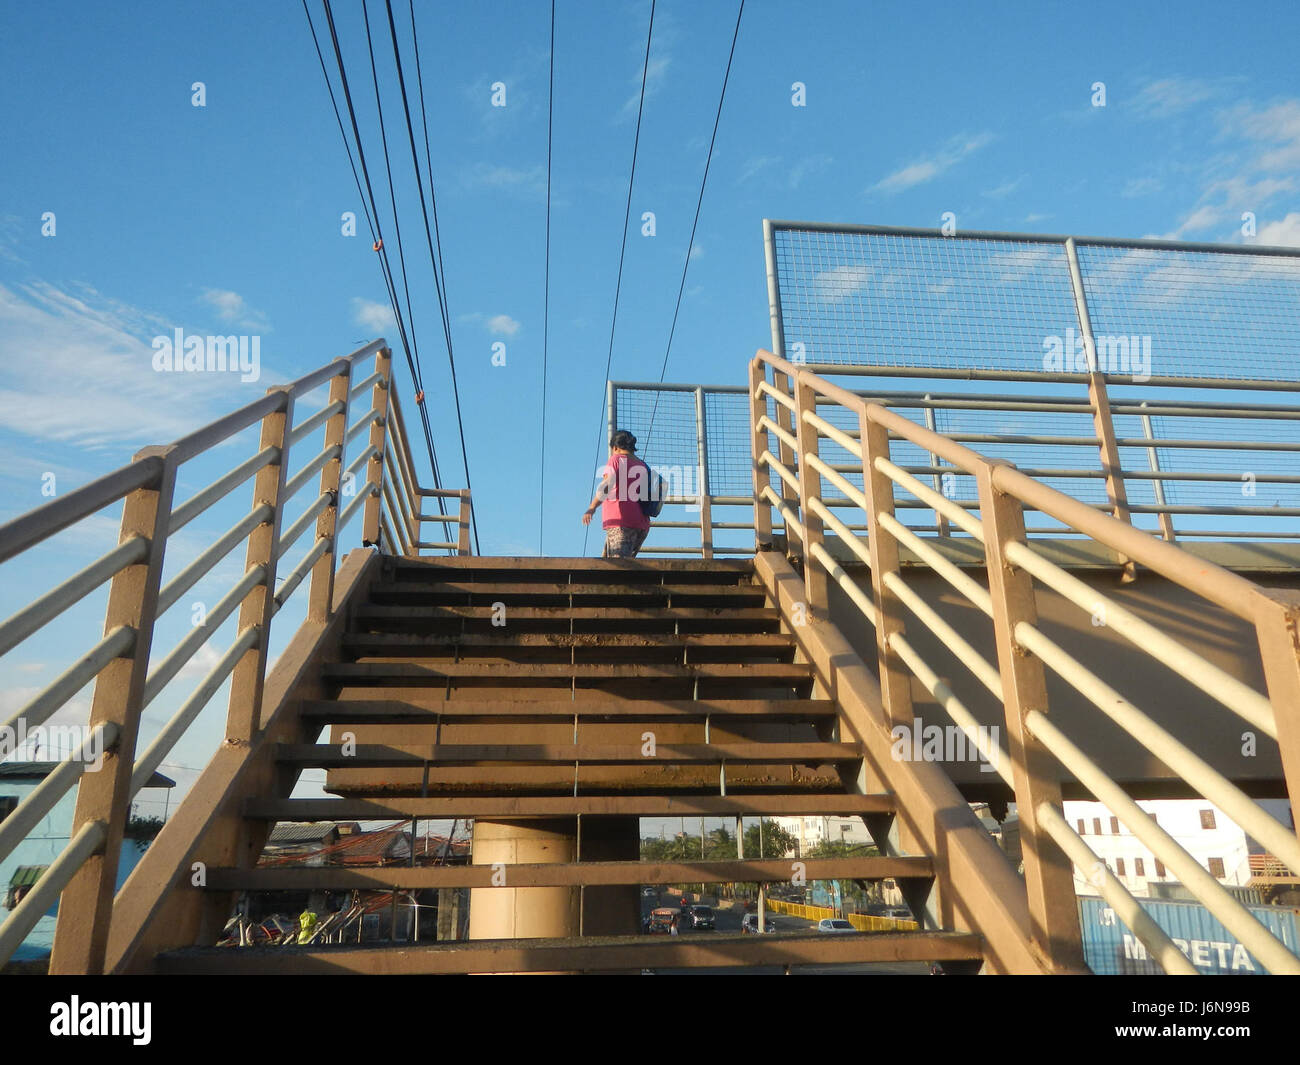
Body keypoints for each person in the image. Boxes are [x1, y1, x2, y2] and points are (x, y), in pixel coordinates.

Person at [581, 429, 652, 558]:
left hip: (621, 523)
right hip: (642, 525)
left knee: (619, 568)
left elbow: (606, 486)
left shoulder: (616, 460)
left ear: (615, 447)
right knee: (608, 563)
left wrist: (592, 508)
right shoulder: (643, 465)